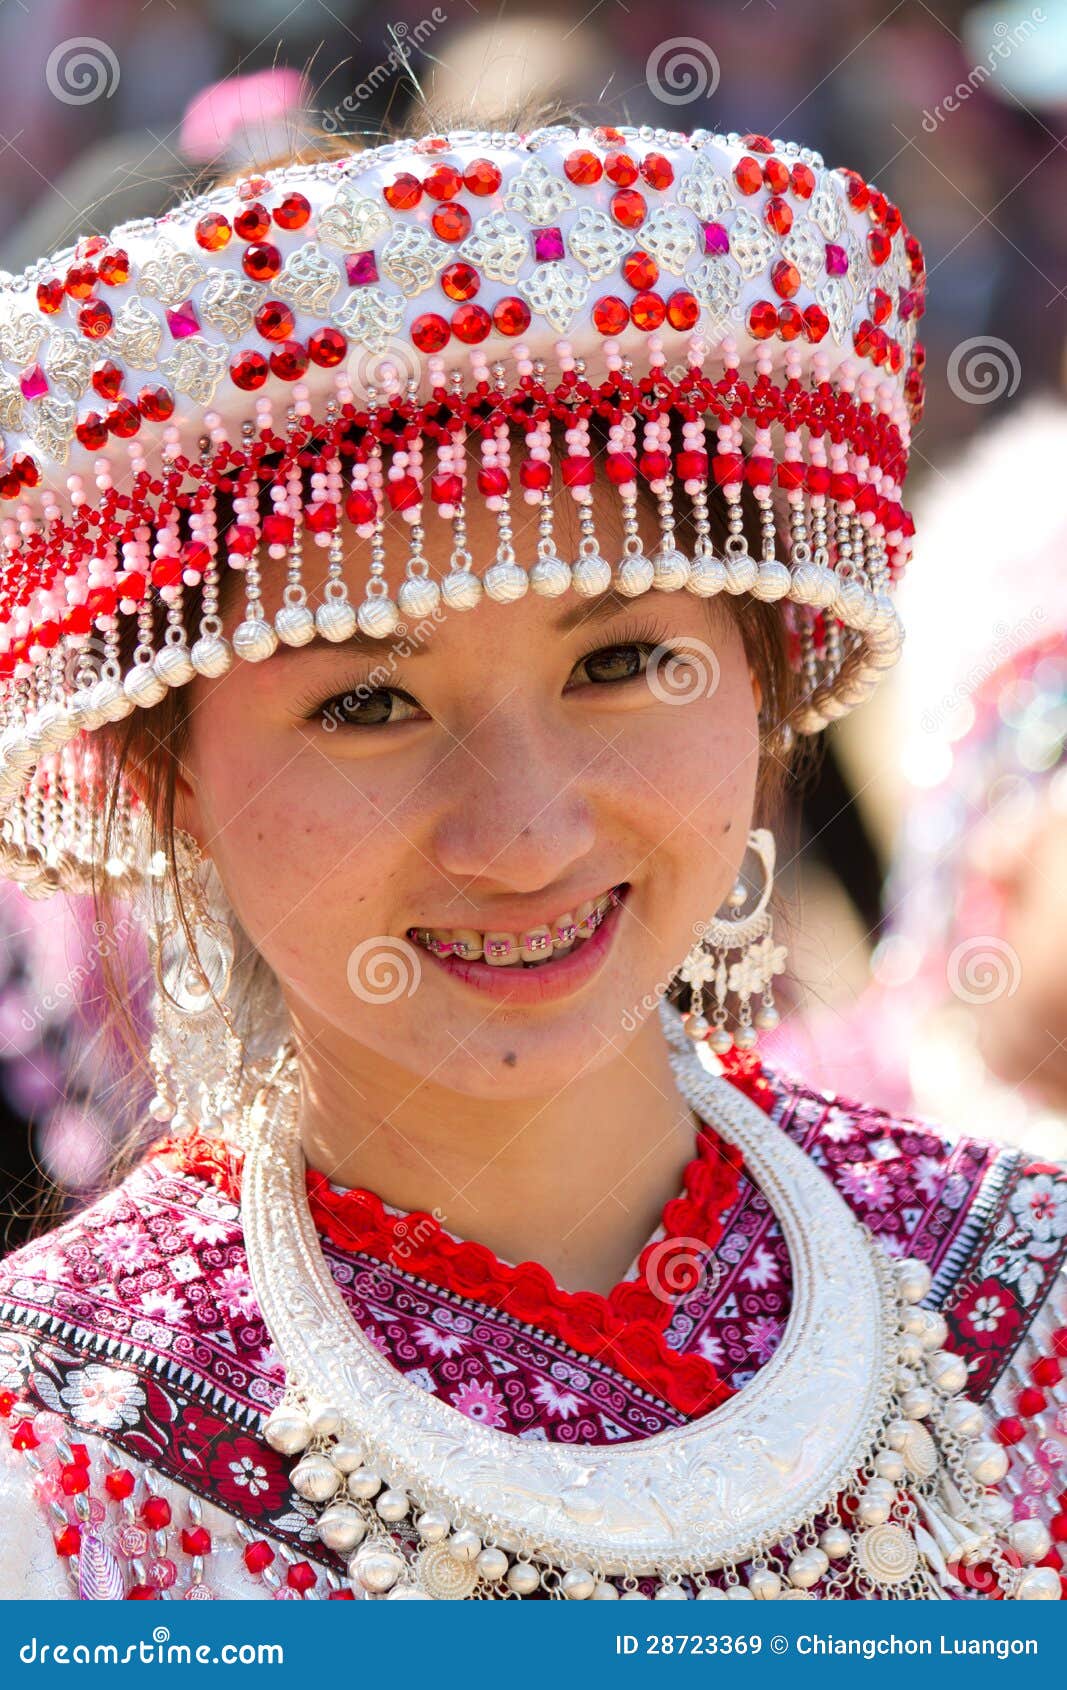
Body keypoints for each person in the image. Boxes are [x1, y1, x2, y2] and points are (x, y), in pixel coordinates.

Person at [0, 102, 1062, 1604]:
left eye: (621, 662)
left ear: (759, 679)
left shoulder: (1027, 1305)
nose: (524, 831)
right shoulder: (53, 1463)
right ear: (164, 774)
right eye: (366, 700)